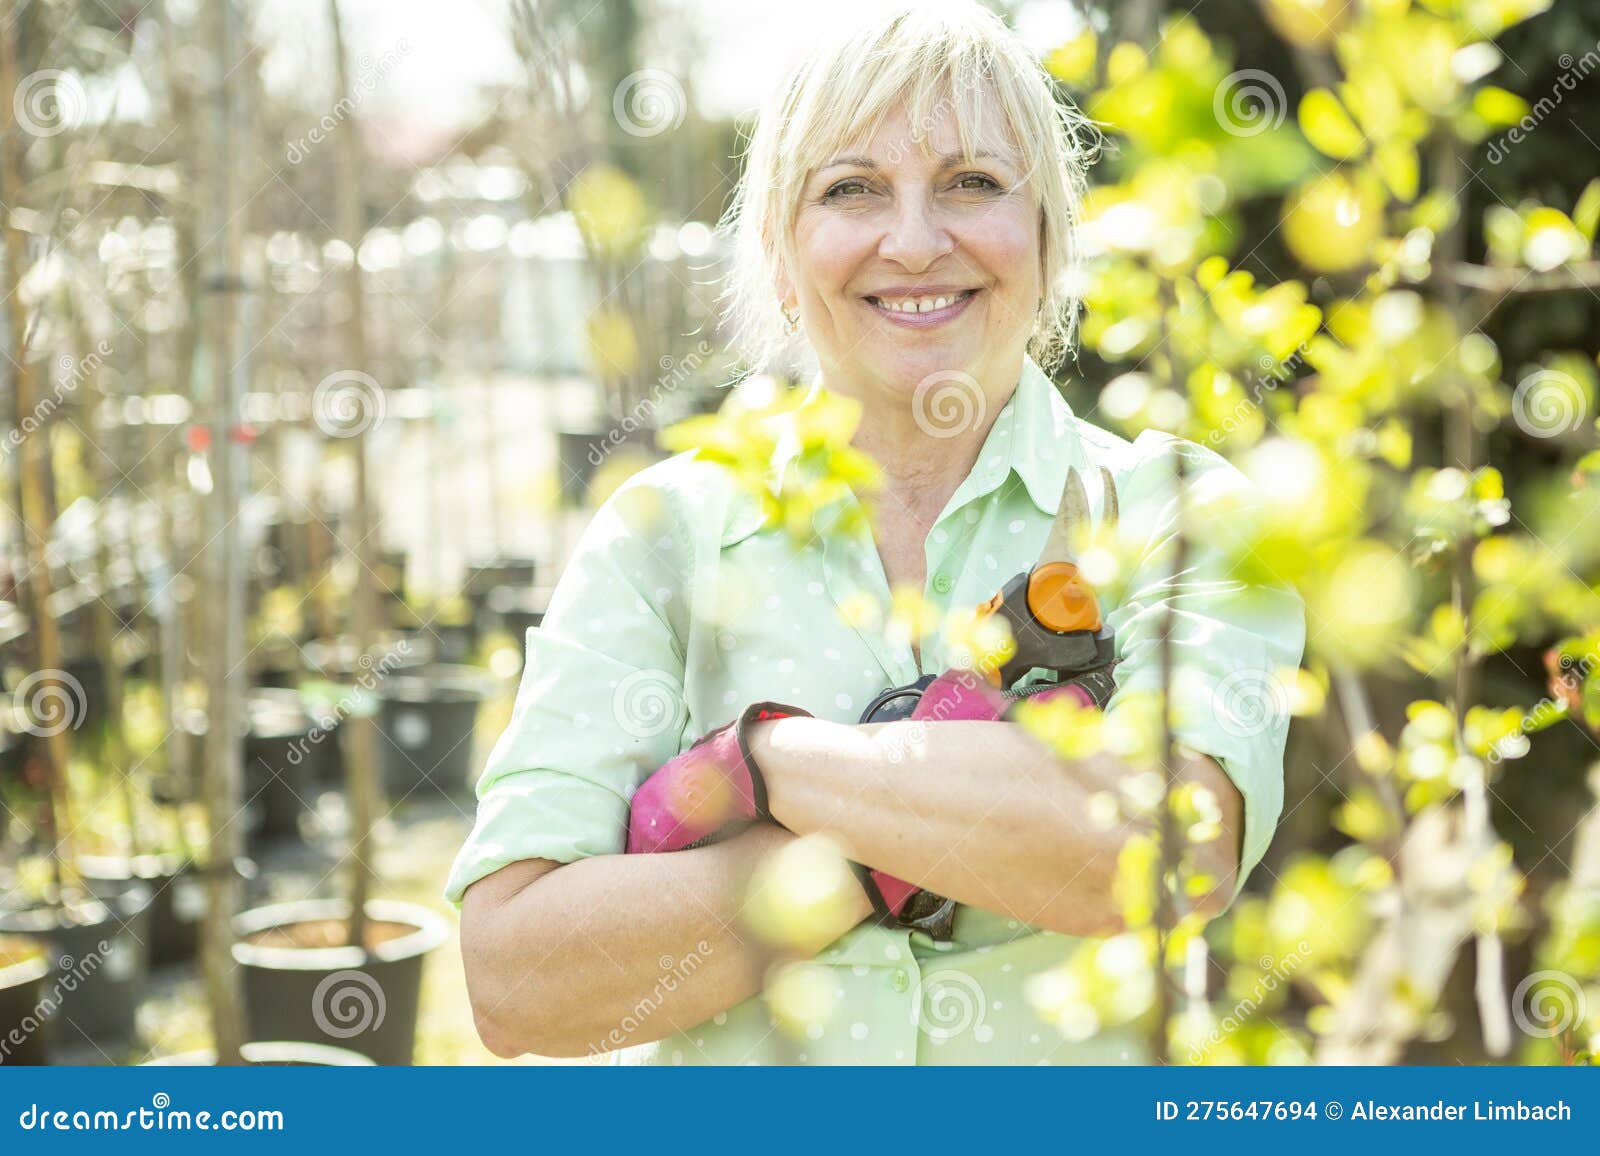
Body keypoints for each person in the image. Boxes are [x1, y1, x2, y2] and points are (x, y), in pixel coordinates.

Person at [448, 0, 1305, 1065]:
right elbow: (519, 985)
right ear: (775, 246)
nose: (912, 240)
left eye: (972, 183)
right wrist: (888, 857)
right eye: (851, 189)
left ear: (1046, 231)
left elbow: (1167, 852)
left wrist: (765, 760)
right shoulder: (661, 536)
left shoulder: (1178, 515)